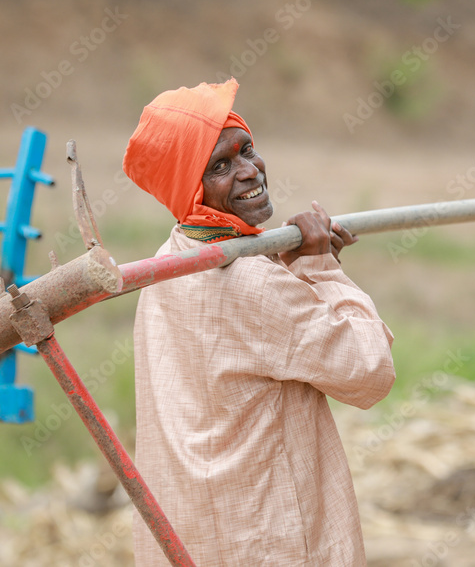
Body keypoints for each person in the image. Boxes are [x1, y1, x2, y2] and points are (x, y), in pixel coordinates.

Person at [122, 78, 395, 565]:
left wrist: (288, 266)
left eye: (246, 150)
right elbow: (369, 371)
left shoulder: (169, 259)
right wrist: (320, 269)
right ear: (191, 187)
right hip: (271, 538)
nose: (249, 172)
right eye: (220, 166)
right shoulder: (253, 283)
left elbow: (252, 336)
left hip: (203, 533)